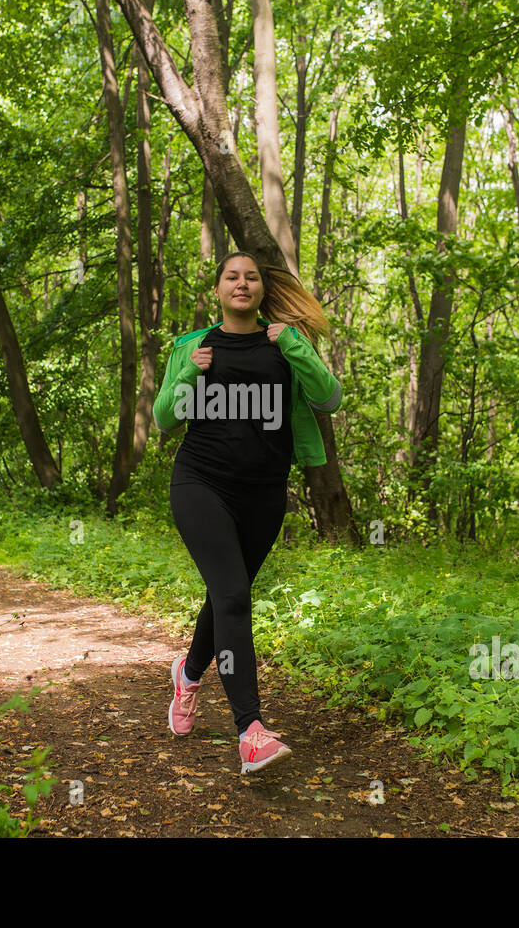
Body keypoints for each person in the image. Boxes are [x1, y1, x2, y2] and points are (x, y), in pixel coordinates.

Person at [153, 250, 342, 774]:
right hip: (200, 483)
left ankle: (189, 674)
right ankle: (250, 731)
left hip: (263, 492)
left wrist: (295, 346)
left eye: (251, 277)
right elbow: (165, 417)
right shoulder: (193, 347)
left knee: (227, 595)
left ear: (261, 289)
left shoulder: (285, 343)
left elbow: (329, 399)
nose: (242, 283)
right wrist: (189, 375)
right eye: (232, 277)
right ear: (217, 290)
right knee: (234, 594)